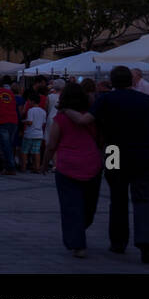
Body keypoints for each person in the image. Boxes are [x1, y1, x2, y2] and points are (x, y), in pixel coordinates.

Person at [66, 65, 149, 263]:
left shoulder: (106, 99)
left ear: (112, 82)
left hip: (113, 151)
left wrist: (66, 109)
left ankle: (118, 242)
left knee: (117, 197)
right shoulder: (147, 100)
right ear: (132, 81)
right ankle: (146, 244)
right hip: (144, 151)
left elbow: (85, 121)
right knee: (144, 199)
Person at [44, 82, 102, 258]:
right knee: (88, 206)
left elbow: (52, 144)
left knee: (71, 206)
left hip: (67, 167)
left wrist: (43, 164)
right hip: (93, 165)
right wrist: (113, 163)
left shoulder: (60, 119)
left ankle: (78, 243)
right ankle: (80, 230)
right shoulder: (93, 118)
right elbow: (102, 140)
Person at [21, 90, 47, 174]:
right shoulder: (43, 111)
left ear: (32, 101)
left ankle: (23, 167)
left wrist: (24, 121)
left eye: (29, 101)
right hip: (39, 134)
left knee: (25, 150)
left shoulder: (31, 110)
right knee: (36, 151)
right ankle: (37, 167)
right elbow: (43, 122)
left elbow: (30, 122)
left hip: (30, 133)